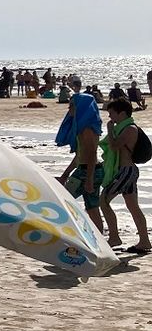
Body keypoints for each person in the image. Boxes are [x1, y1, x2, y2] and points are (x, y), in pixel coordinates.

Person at [99, 98, 151, 254]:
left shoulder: (129, 128)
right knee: (133, 206)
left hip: (126, 171)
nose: (110, 117)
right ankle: (144, 241)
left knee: (104, 200)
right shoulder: (124, 127)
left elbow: (114, 146)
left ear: (121, 113)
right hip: (126, 171)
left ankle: (115, 237)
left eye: (111, 113)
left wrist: (109, 129)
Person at [56, 93, 107, 235]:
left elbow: (91, 155)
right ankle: (98, 237)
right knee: (92, 207)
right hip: (88, 169)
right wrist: (65, 174)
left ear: (82, 107)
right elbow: (80, 155)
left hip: (88, 171)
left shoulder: (88, 129)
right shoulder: (82, 127)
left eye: (72, 105)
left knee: (64, 200)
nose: (69, 108)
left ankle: (71, 233)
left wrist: (89, 179)